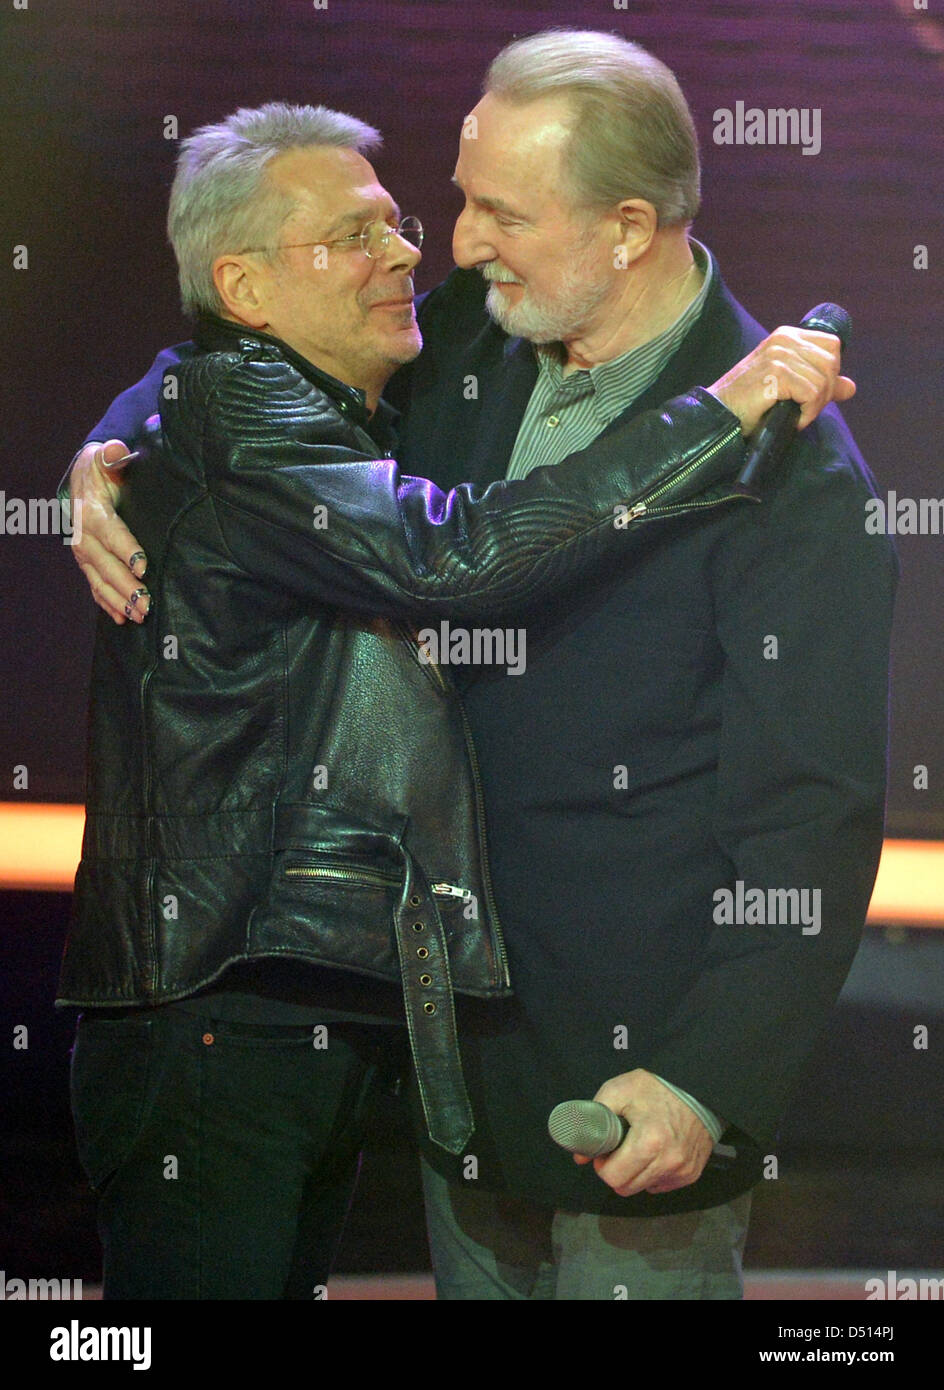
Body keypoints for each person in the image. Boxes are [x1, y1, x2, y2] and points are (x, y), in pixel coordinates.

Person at [63, 31, 887, 1303]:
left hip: (633, 1093)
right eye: (454, 202)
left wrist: (708, 1078)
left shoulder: (791, 468)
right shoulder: (466, 336)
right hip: (453, 1060)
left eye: (498, 211)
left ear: (625, 226)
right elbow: (243, 368)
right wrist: (113, 448)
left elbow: (812, 815)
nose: (450, 245)